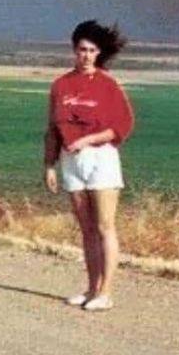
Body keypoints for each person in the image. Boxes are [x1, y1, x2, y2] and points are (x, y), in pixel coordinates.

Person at [44, 19, 134, 311]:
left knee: (105, 224)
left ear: (99, 53)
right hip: (71, 161)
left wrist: (87, 140)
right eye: (81, 49)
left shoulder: (108, 84)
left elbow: (122, 125)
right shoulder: (61, 85)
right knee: (86, 229)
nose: (86, 55)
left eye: (92, 50)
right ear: (74, 50)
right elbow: (53, 129)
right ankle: (91, 287)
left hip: (100, 158)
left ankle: (106, 292)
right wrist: (49, 165)